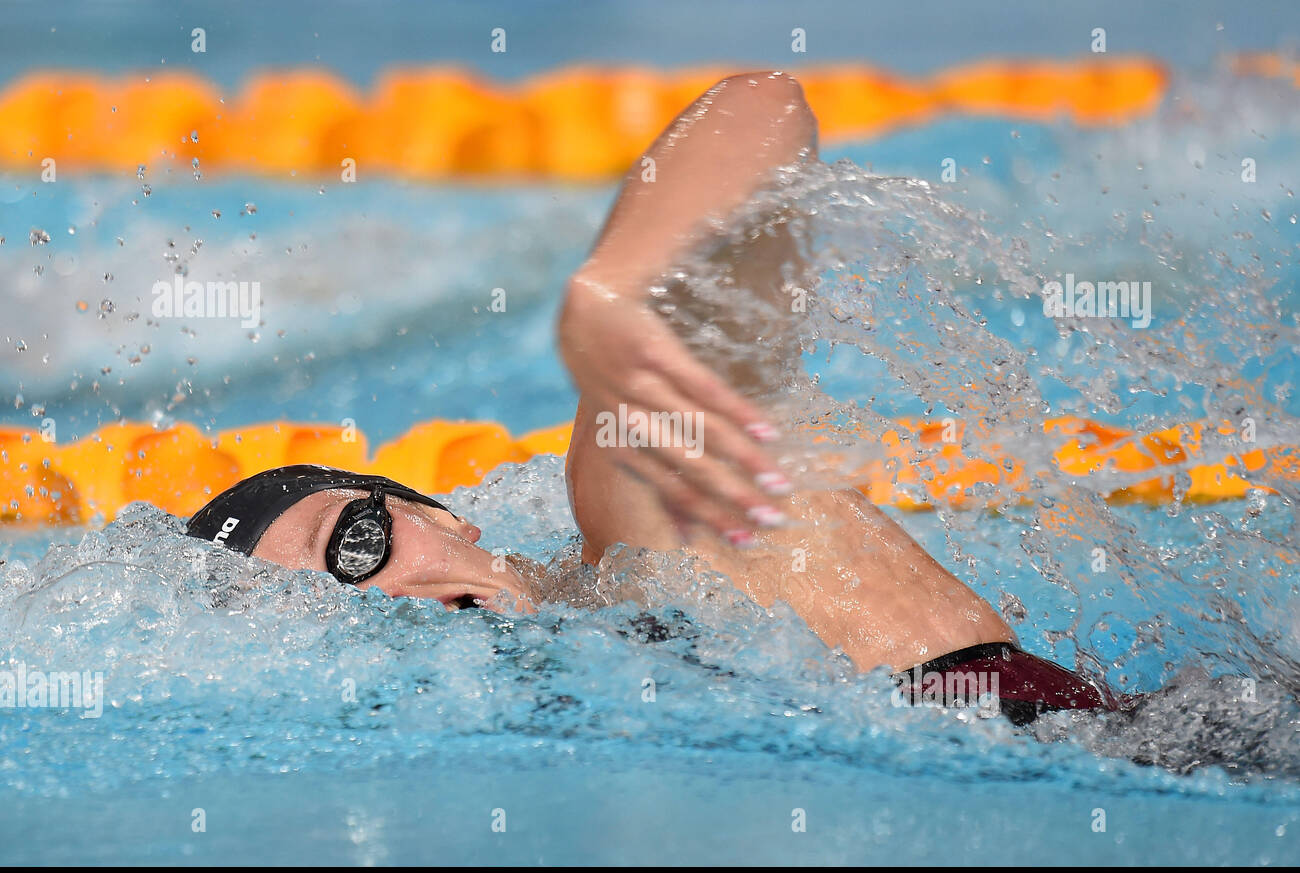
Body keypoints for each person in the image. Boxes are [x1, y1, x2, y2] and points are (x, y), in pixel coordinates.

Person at [186, 72, 1118, 726]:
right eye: (324, 622)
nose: (382, 600)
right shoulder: (578, 709)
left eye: (353, 543)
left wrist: (610, 296)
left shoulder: (643, 530)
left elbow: (764, 109)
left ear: (440, 511)